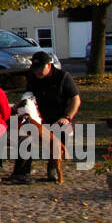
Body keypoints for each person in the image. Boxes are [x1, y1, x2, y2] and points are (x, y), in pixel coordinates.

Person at [12, 51, 79, 183]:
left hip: (58, 117)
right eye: (35, 69)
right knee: (25, 134)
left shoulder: (63, 77)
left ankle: (53, 166)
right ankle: (21, 171)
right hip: (37, 117)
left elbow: (76, 99)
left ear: (49, 65)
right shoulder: (33, 77)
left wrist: (67, 117)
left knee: (62, 132)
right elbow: (28, 95)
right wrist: (22, 105)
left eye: (40, 69)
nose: (37, 73)